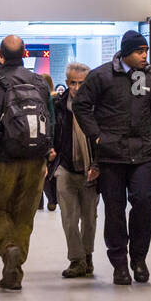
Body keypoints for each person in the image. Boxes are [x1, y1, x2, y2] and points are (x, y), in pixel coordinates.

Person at [72, 30, 151, 285]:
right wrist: (97, 136)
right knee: (114, 210)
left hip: (142, 153)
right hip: (111, 154)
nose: (144, 55)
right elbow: (81, 105)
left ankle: (139, 259)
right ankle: (119, 264)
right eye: (139, 51)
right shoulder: (102, 75)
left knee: (142, 202)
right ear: (126, 53)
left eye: (146, 51)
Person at [0, 35, 57, 291]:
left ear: (0, 55)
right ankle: (16, 265)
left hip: (2, 159)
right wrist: (46, 154)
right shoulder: (40, 83)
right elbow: (51, 120)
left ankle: (8, 248)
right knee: (25, 215)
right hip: (34, 161)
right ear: (25, 52)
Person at [53, 62, 99, 278]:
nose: (77, 87)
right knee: (69, 218)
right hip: (65, 166)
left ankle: (87, 256)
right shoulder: (58, 106)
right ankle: (76, 259)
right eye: (73, 83)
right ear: (67, 82)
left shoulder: (97, 108)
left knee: (89, 217)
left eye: (82, 83)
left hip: (92, 169)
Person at [40, 72, 59, 212]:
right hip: (56, 139)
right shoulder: (58, 99)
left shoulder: (43, 101)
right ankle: (52, 199)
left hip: (43, 138)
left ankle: (39, 202)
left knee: (42, 171)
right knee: (52, 171)